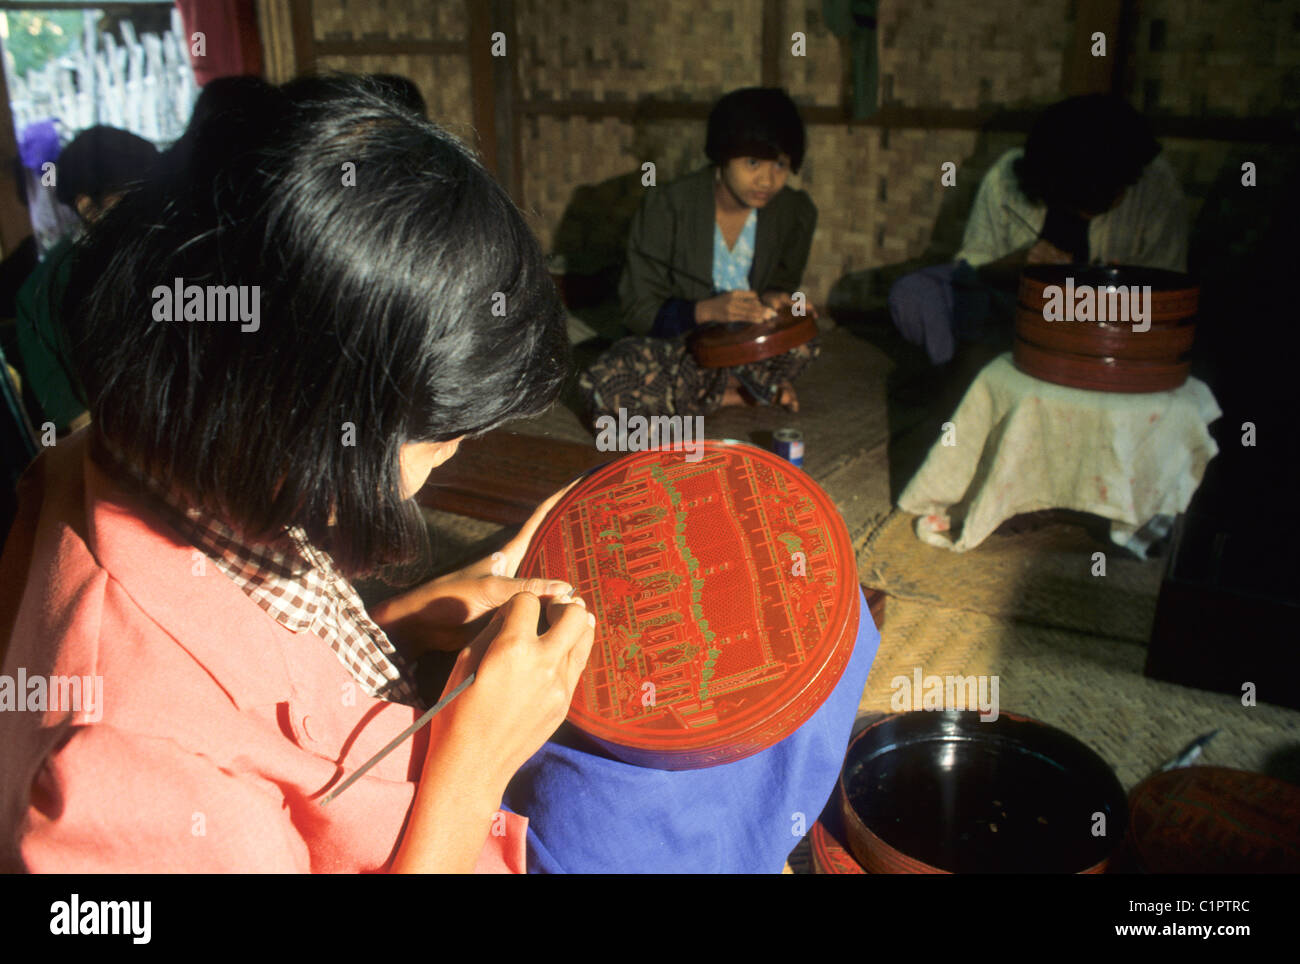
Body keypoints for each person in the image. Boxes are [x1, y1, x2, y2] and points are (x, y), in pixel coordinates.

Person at [0, 75, 592, 873]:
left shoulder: (156, 458)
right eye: (442, 436)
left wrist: (409, 622)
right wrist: (475, 762)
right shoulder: (123, 770)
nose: (455, 453)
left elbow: (251, 668)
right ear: (304, 424)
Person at [890, 94, 1189, 365]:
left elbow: (1169, 286)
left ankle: (1005, 362)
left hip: (1106, 323)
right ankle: (975, 368)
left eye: (1110, 193)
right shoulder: (1008, 175)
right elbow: (972, 265)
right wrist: (1019, 265)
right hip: (1017, 309)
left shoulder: (1154, 183)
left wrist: (1114, 289)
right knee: (914, 292)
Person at [579, 87, 820, 418]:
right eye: (752, 162)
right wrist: (705, 310)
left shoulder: (794, 212)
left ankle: (717, 391)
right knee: (605, 387)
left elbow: (780, 283)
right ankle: (734, 394)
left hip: (746, 346)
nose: (767, 179)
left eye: (779, 164)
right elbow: (638, 310)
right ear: (723, 154)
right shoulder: (666, 207)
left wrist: (779, 299)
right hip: (679, 349)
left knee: (806, 336)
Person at [14, 126, 159, 435]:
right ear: (87, 207)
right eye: (132, 200)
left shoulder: (161, 253)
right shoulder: (43, 294)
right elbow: (81, 424)